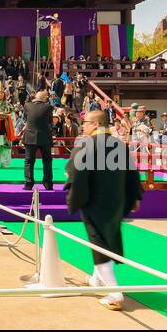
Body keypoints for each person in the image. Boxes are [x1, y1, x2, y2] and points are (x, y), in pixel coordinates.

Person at [66, 110, 143, 311]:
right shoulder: (118, 144)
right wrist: (135, 197)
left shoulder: (86, 145)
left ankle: (115, 293)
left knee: (99, 244)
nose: (83, 125)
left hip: (95, 203)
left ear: (96, 124)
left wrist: (74, 199)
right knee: (105, 238)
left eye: (85, 122)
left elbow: (76, 174)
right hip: (116, 202)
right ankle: (96, 279)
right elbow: (132, 172)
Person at [21, 89, 55, 192]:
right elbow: (50, 122)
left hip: (30, 137)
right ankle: (48, 184)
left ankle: (28, 183)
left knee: (29, 161)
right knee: (47, 161)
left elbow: (25, 119)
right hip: (44, 137)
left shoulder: (27, 105)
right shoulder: (48, 107)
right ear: (44, 98)